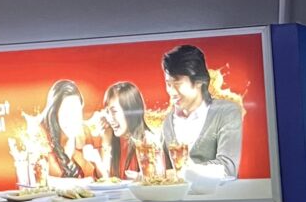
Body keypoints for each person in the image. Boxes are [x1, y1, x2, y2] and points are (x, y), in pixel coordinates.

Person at [158, 44, 243, 179]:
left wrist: (184, 172)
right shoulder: (168, 121)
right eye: (168, 84)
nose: (171, 92)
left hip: (220, 192)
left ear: (198, 81)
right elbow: (165, 173)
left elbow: (228, 168)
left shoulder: (226, 112)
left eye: (177, 84)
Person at [40, 79, 93, 180]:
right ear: (55, 114)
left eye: (76, 111)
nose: (72, 119)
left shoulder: (85, 135)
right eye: (66, 112)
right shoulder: (41, 142)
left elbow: (97, 180)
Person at [98, 81, 151, 180]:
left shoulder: (148, 142)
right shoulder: (112, 139)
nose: (109, 118)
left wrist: (141, 178)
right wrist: (106, 142)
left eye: (114, 111)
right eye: (107, 112)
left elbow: (157, 180)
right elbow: (105, 181)